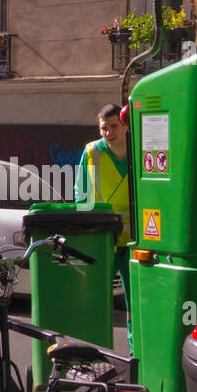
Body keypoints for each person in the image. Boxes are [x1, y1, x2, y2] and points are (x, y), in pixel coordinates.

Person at [74, 102, 133, 352]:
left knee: (135, 305)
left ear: (125, 126)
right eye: (103, 128)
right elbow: (81, 195)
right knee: (95, 301)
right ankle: (94, 351)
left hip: (133, 242)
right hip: (103, 239)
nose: (108, 132)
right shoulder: (91, 153)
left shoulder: (138, 151)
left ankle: (135, 351)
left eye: (113, 126)